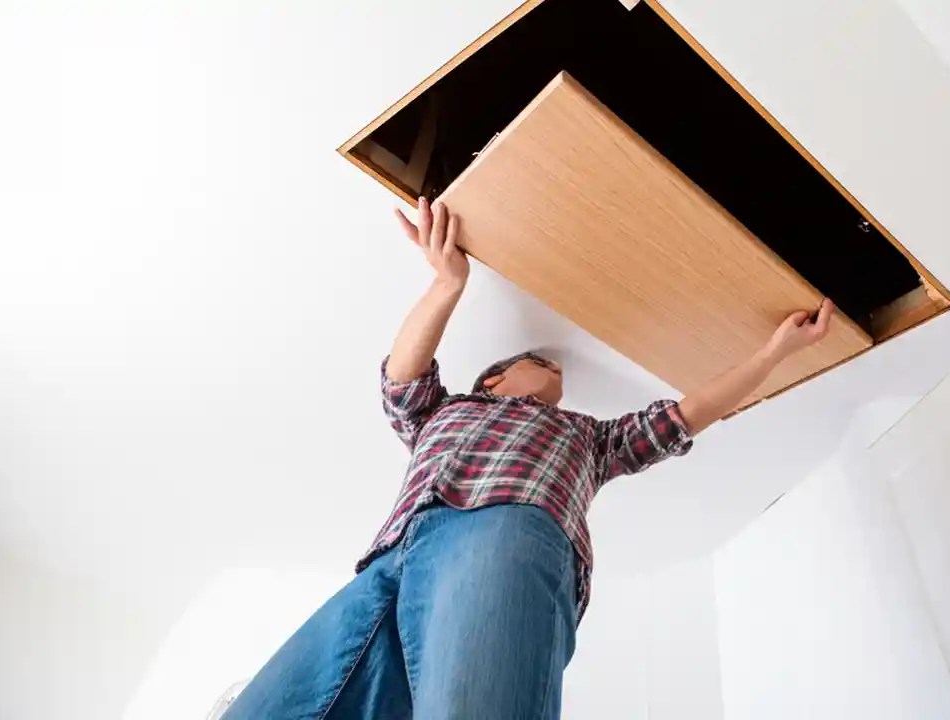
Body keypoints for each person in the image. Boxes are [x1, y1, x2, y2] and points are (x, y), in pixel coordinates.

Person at [225, 198, 835, 720]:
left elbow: (687, 413)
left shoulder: (591, 439)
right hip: (387, 562)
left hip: (508, 531)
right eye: (535, 363)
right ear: (490, 382)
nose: (556, 372)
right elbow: (400, 377)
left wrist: (773, 355)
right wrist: (448, 284)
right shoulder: (441, 411)